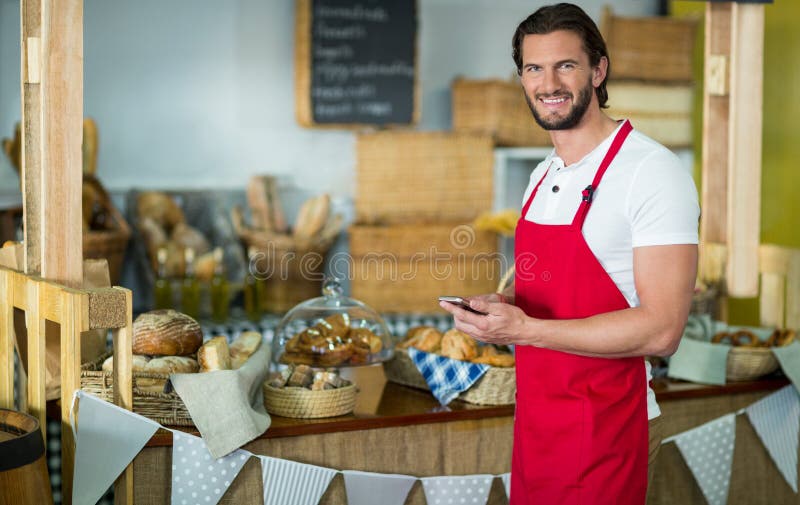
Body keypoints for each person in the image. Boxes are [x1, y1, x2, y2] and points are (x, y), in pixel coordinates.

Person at [439, 4, 699, 504]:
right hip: (538, 425)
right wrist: (500, 306)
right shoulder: (542, 176)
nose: (548, 83)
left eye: (566, 65)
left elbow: (664, 330)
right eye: (534, 68)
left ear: (598, 70)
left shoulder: (651, 172)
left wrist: (524, 330)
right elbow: (543, 289)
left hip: (609, 428)